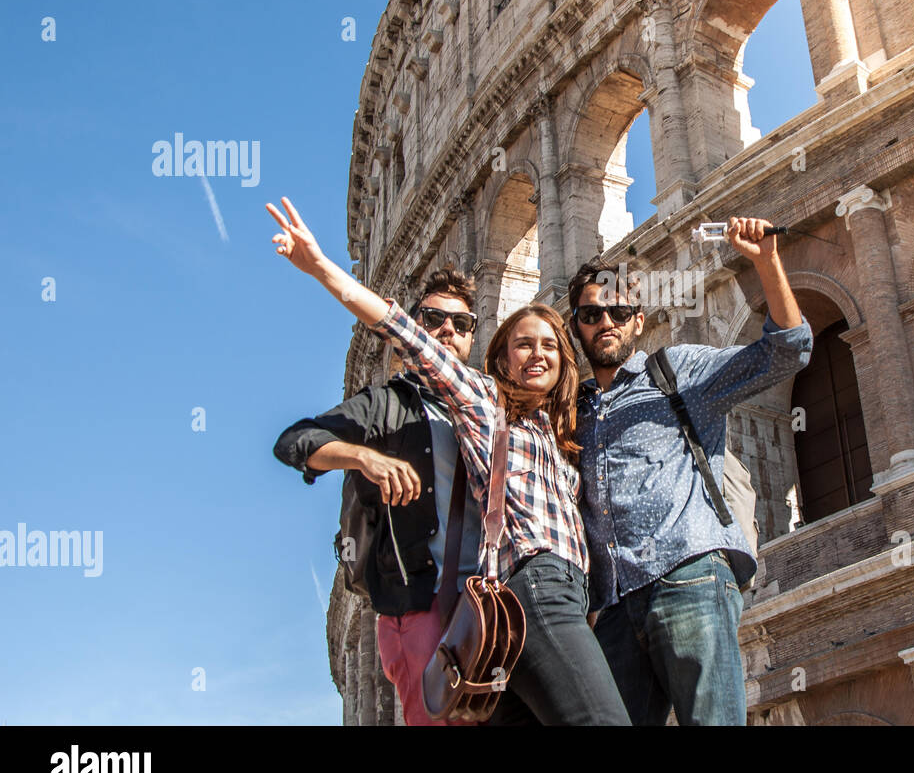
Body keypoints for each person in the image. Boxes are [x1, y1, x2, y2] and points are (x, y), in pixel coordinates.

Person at [266, 196, 630, 726]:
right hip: (506, 590)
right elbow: (399, 332)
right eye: (523, 344)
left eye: (550, 345)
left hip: (542, 600)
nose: (537, 354)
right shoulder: (479, 401)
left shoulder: (554, 432)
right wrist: (324, 269)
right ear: (501, 358)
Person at [567, 217, 812, 725]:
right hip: (612, 607)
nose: (606, 321)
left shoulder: (677, 371)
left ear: (638, 319)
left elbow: (789, 349)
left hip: (690, 577)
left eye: (618, 310)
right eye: (592, 313)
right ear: (576, 326)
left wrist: (766, 260)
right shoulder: (572, 414)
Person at [272, 269, 485, 726]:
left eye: (461, 324)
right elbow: (294, 441)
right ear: (411, 330)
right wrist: (362, 457)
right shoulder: (383, 403)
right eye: (433, 319)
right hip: (422, 607)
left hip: (485, 606)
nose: (448, 331)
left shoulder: (484, 407)